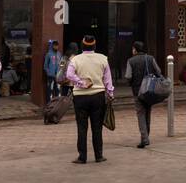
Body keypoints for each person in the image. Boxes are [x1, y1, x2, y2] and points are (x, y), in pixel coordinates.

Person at [65, 35, 114, 163]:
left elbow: (69, 75)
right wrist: (110, 93)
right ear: (94, 46)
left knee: (82, 127)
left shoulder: (75, 59)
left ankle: (82, 157)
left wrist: (80, 82)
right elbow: (108, 80)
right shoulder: (103, 59)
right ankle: (99, 155)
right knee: (97, 127)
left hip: (80, 97)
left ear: (82, 46)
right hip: (98, 96)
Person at [123, 41, 160, 148]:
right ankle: (146, 136)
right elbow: (158, 71)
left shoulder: (131, 61)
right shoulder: (150, 58)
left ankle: (144, 138)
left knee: (141, 114)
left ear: (135, 49)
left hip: (137, 91)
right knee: (148, 113)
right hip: (149, 90)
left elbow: (128, 76)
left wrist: (131, 83)